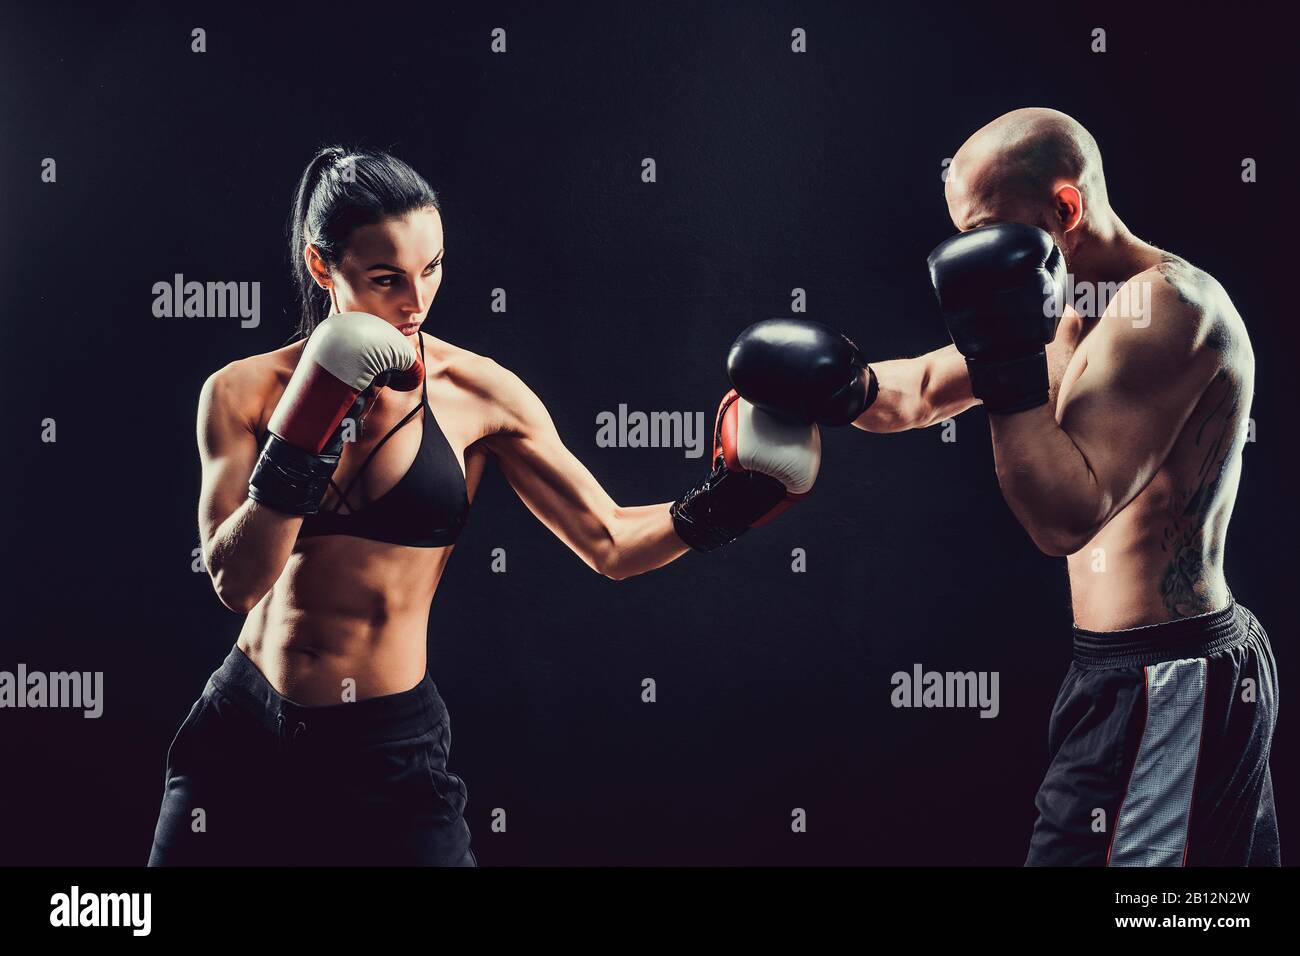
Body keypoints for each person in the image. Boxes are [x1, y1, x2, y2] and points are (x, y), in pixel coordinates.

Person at [148, 146, 820, 866]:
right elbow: (237, 582)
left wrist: (733, 501)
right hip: (242, 730)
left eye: (431, 269)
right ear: (322, 266)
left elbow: (611, 543)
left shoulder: (480, 393)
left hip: (386, 753)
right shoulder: (240, 391)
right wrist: (305, 425)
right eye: (385, 278)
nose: (414, 301)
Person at [727, 108, 1278, 866]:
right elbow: (919, 390)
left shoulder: (1171, 311)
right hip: (1123, 672)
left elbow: (1064, 515)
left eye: (987, 229)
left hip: (1167, 674)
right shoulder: (1055, 304)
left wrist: (1008, 366)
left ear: (1065, 208)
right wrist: (841, 385)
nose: (971, 254)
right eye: (962, 236)